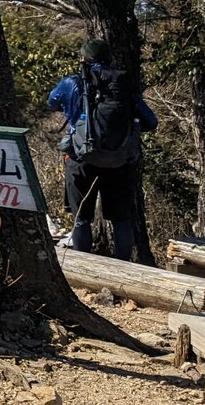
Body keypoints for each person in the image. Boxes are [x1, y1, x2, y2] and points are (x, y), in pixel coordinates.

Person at [48, 38, 158, 261]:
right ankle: (123, 270)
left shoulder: (73, 83)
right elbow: (151, 122)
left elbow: (52, 102)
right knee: (121, 220)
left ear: (83, 59)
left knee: (81, 217)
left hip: (81, 159)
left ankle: (86, 267)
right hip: (120, 160)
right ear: (109, 59)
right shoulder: (123, 85)